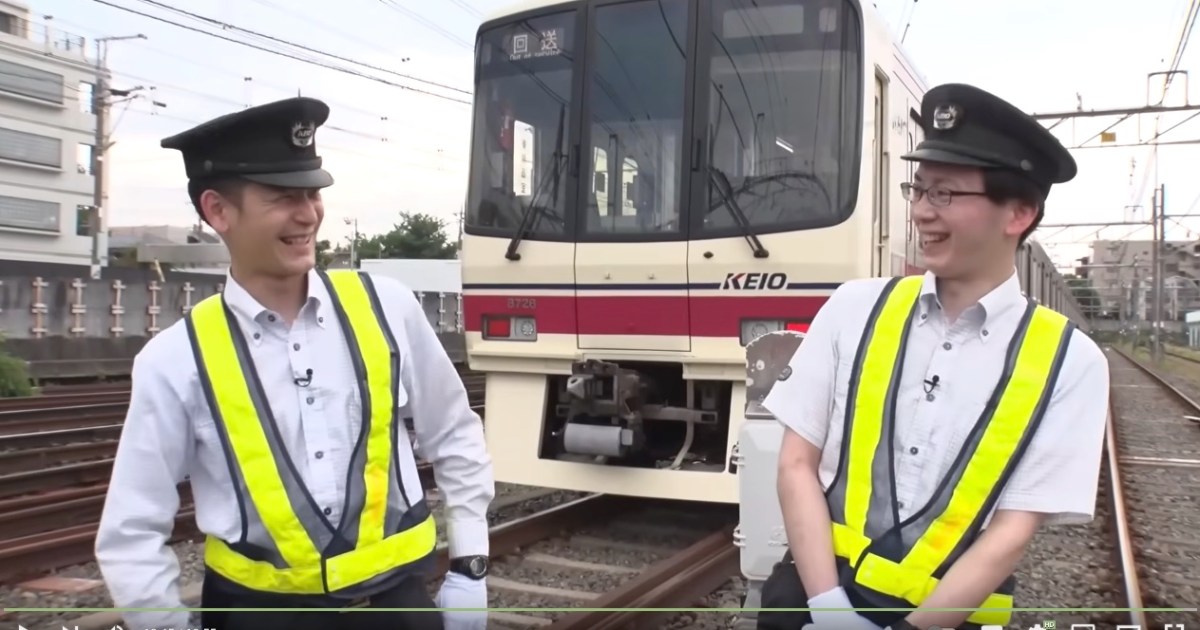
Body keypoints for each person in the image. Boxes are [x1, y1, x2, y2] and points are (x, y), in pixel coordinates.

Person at [94, 96, 495, 630]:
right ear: (218, 211)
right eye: (284, 197)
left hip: (398, 609)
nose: (308, 214)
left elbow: (455, 435)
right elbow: (131, 530)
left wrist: (469, 567)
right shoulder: (174, 360)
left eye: (313, 193)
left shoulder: (389, 309)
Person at [755, 83, 1110, 630]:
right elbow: (795, 464)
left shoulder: (1072, 364)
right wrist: (828, 609)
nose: (921, 211)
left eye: (944, 194)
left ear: (1018, 213)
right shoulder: (853, 308)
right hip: (810, 602)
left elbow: (1012, 533)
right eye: (917, 189)